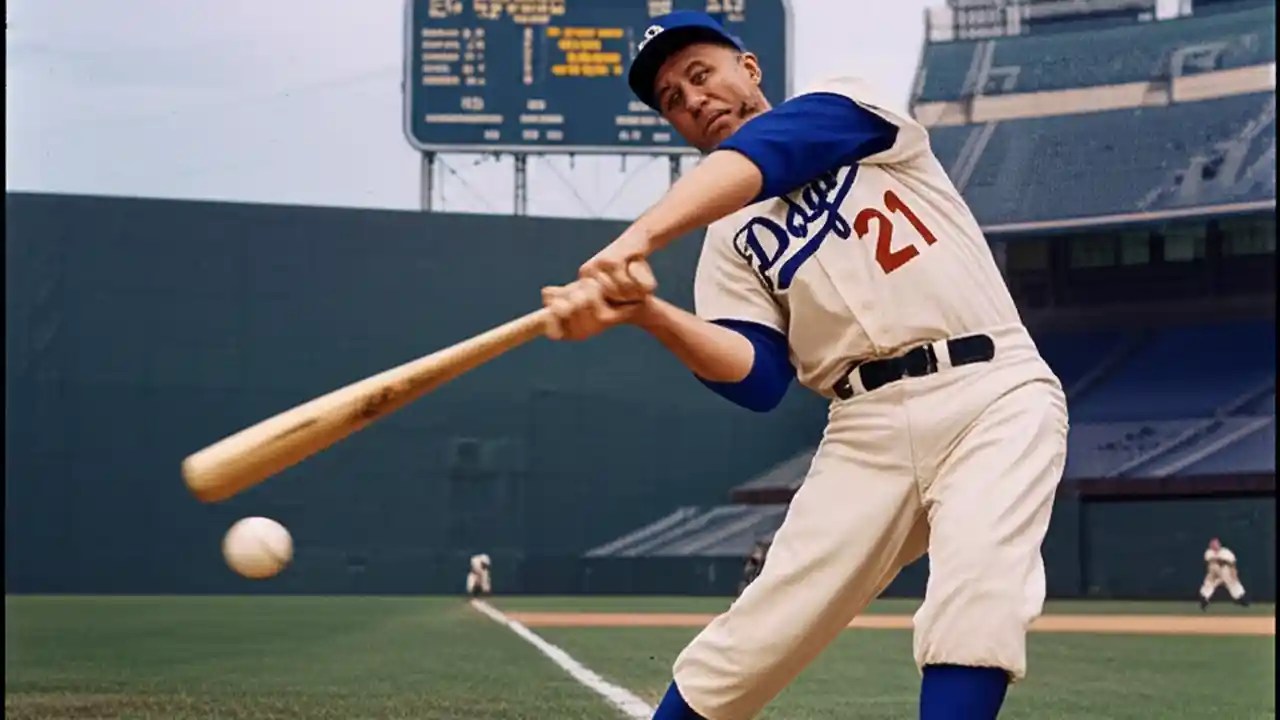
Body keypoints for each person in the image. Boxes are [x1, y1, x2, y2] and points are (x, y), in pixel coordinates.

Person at [540, 10, 1069, 720]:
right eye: (671, 100)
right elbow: (758, 376)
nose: (691, 100)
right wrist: (648, 313)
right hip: (866, 425)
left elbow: (775, 152)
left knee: (977, 590)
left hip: (990, 388)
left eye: (700, 75)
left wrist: (637, 238)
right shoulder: (725, 240)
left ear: (749, 69)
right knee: (761, 630)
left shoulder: (844, 106)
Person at [1199, 537, 1249, 610]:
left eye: (1215, 544)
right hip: (1214, 571)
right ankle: (1204, 599)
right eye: (1212, 544)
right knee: (1209, 583)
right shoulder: (1208, 552)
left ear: (1219, 544)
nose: (1214, 546)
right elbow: (1209, 563)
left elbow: (1232, 564)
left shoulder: (1226, 552)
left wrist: (1234, 573)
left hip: (1225, 570)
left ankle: (1241, 598)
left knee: (1233, 583)